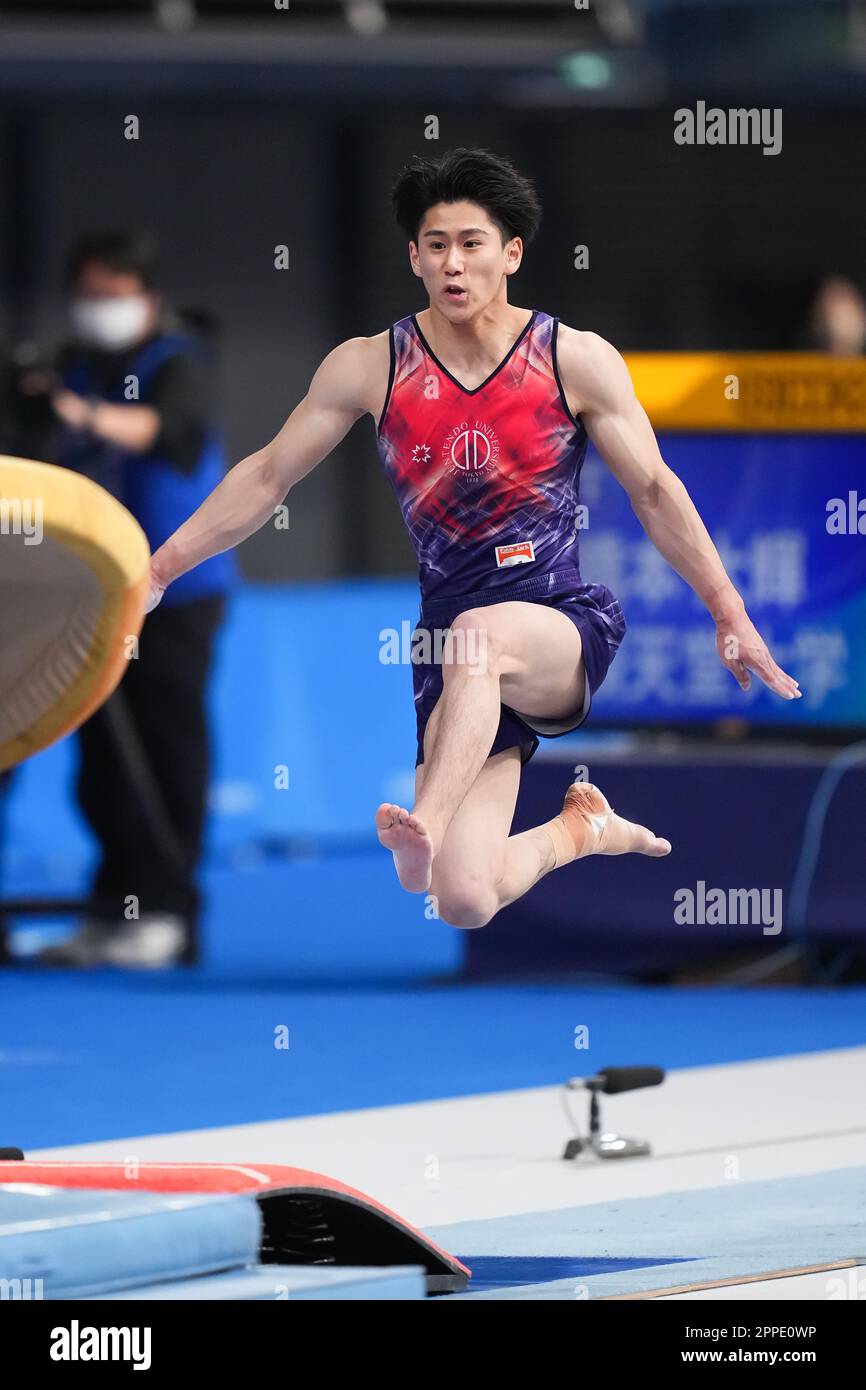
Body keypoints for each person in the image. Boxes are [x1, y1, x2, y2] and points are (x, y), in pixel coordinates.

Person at [143, 148, 800, 931]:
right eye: (436, 245)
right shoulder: (370, 367)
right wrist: (159, 569)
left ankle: (424, 816)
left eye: (472, 243)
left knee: (479, 640)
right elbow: (266, 478)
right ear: (413, 257)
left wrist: (729, 611)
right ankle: (579, 830)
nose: (453, 264)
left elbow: (655, 490)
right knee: (463, 897)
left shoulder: (572, 359)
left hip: (557, 620)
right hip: (450, 649)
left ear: (511, 253)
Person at [39, 230, 234, 967]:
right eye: (91, 296)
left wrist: (80, 415)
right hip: (93, 594)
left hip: (177, 594)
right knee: (100, 757)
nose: (102, 311)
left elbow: (170, 434)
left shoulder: (180, 359)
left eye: (116, 297)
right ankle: (111, 907)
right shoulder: (80, 364)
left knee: (165, 751)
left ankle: (169, 914)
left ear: (148, 299)